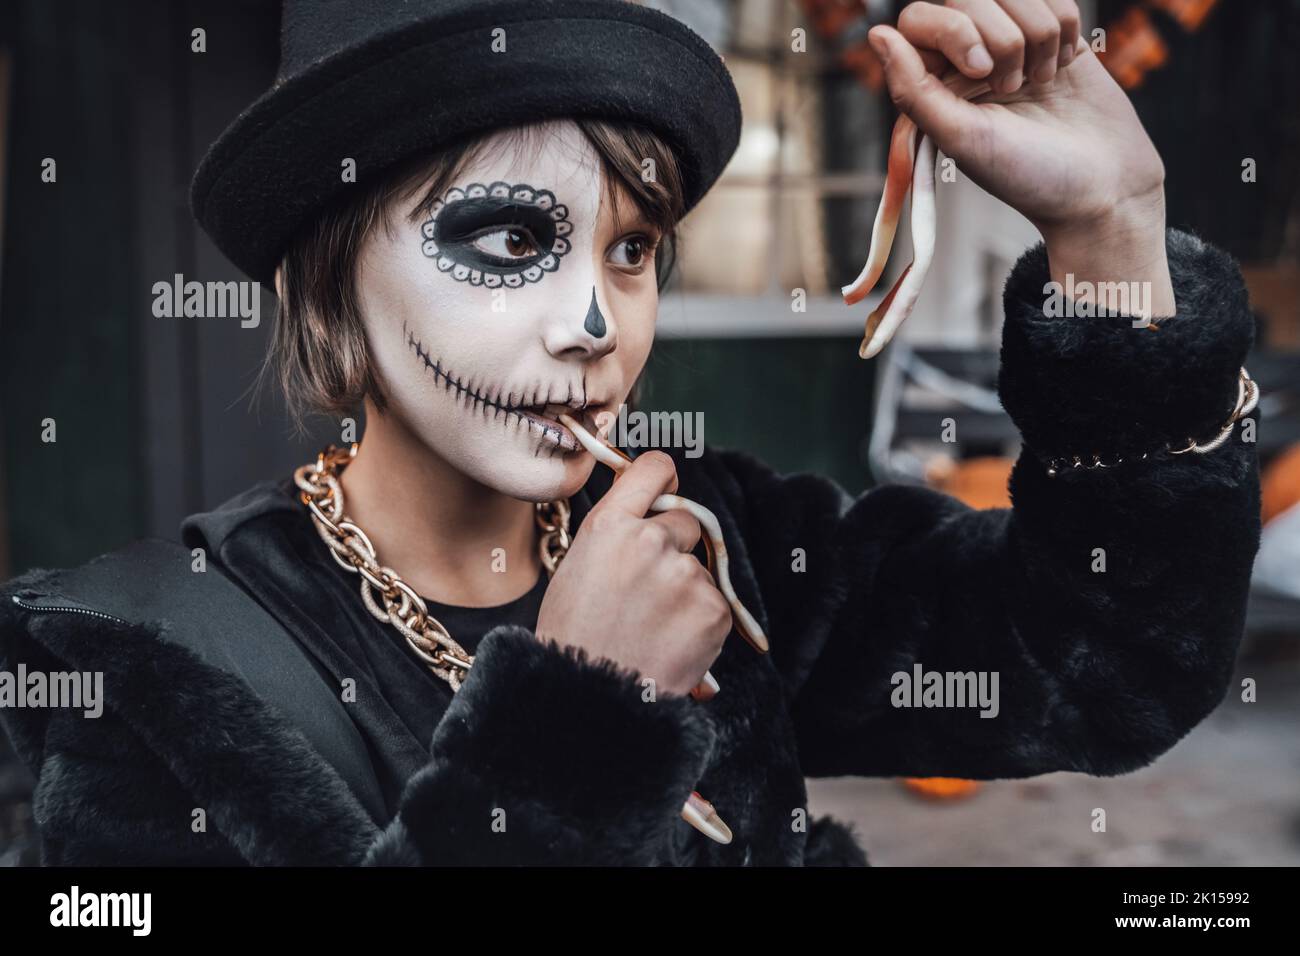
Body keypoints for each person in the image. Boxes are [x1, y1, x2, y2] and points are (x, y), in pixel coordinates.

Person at [0, 0, 1259, 866]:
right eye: (507, 239)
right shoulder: (149, 678)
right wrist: (579, 722)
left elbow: (1105, 666)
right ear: (324, 286)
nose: (596, 320)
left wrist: (1111, 232)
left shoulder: (724, 549)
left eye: (633, 247)